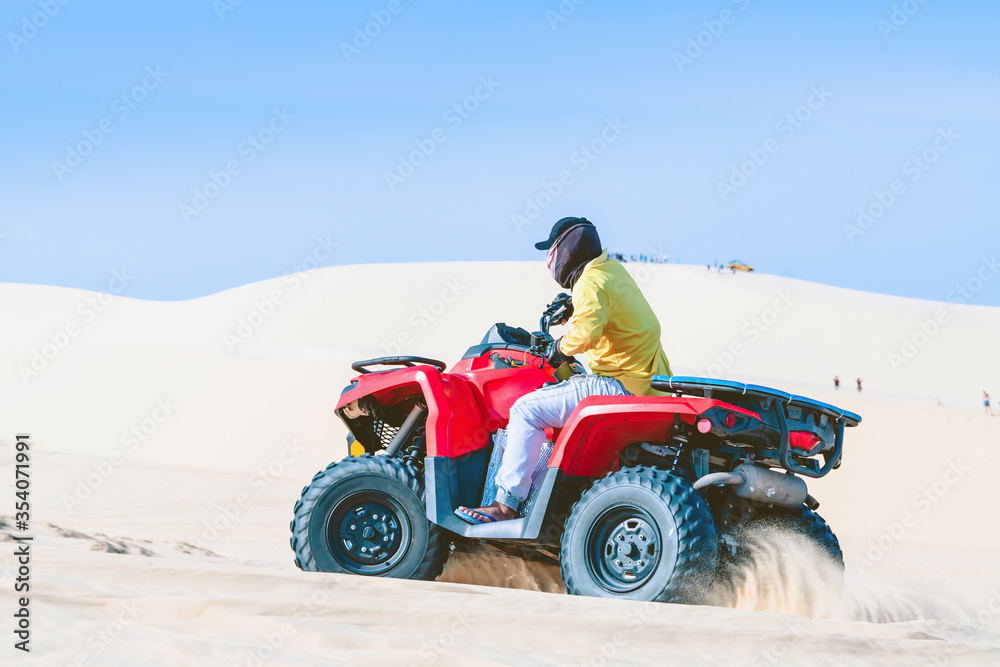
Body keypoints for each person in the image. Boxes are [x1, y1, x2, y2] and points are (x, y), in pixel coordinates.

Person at [456, 217, 672, 524]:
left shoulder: (589, 282)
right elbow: (608, 311)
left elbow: (586, 333)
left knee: (525, 410)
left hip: (618, 384)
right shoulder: (612, 271)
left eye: (551, 251)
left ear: (567, 249)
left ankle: (505, 505)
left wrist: (557, 348)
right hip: (647, 384)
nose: (548, 260)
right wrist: (574, 305)